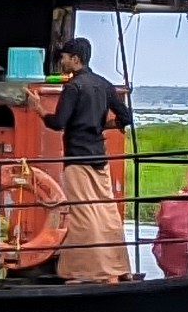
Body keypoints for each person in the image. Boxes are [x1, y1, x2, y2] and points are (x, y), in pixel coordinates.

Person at [45, 35, 134, 283]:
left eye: (63, 57)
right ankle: (118, 266)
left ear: (75, 59)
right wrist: (103, 125)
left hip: (77, 158)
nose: (61, 61)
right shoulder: (104, 85)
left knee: (83, 214)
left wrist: (40, 111)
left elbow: (59, 122)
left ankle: (87, 271)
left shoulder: (73, 87)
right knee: (106, 212)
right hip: (99, 158)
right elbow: (125, 117)